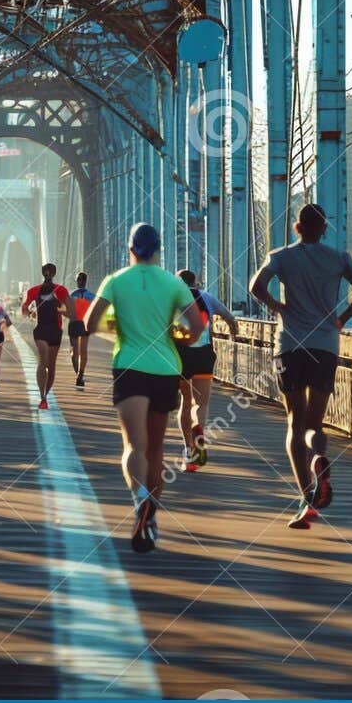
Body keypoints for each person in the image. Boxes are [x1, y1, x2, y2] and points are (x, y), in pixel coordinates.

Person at [250, 204, 352, 529]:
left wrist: (278, 307)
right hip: (325, 346)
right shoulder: (339, 258)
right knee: (315, 424)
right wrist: (341, 319)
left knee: (294, 423)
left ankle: (308, 499)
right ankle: (319, 456)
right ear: (324, 228)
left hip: (290, 345)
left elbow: (255, 287)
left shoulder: (281, 256)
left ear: (297, 227)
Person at [84, 224, 202, 553]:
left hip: (130, 367)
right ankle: (151, 515)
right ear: (158, 249)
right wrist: (180, 338)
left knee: (134, 446)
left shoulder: (116, 281)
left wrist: (117, 323)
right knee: (156, 449)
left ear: (130, 250)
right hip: (166, 368)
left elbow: (89, 323)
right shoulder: (174, 283)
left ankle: (139, 501)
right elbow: (197, 327)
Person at [175, 269, 238, 472]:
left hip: (180, 355)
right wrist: (232, 334)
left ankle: (189, 450)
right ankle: (198, 428)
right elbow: (229, 317)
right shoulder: (206, 297)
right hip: (203, 354)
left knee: (185, 401)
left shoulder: (172, 298)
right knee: (201, 403)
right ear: (196, 283)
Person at [21, 263, 75, 410]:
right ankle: (42, 397)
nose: (48, 274)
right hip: (41, 330)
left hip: (55, 330)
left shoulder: (60, 291)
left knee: (51, 366)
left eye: (50, 272)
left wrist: (59, 310)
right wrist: (29, 313)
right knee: (43, 360)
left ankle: (45, 395)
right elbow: (24, 308)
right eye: (47, 272)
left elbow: (72, 312)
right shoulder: (35, 290)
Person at [67, 271, 96, 388]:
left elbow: (67, 310)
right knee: (83, 351)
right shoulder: (92, 296)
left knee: (74, 352)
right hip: (85, 324)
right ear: (85, 281)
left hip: (74, 324)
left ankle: (78, 374)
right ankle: (80, 375)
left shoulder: (71, 295)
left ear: (78, 281)